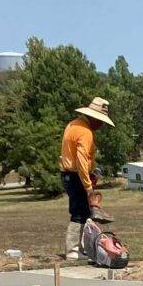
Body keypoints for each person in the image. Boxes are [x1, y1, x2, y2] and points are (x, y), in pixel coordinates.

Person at [60, 96, 114, 258]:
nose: (102, 124)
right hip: (76, 176)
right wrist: (88, 187)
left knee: (81, 211)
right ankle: (73, 251)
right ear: (93, 117)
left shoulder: (73, 124)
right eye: (100, 121)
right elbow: (81, 160)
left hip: (68, 174)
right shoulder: (85, 132)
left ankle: (80, 249)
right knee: (79, 212)